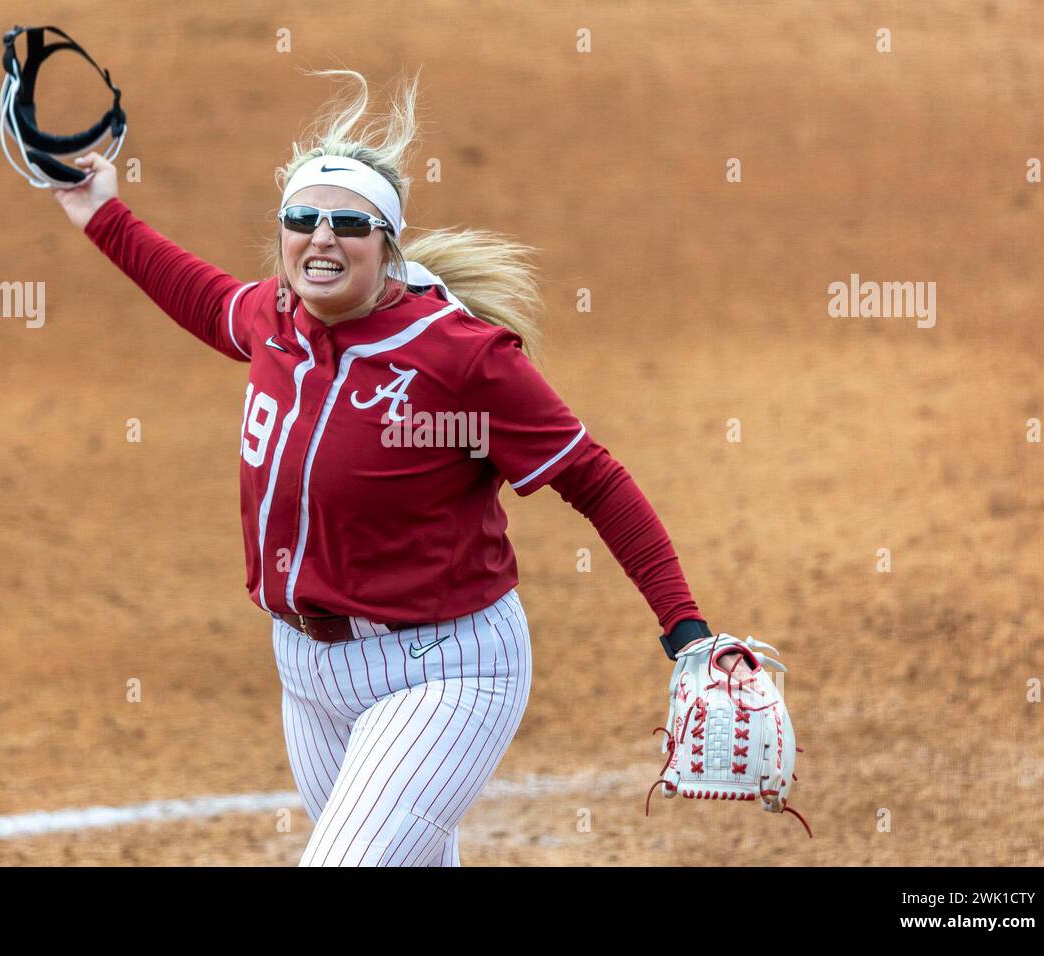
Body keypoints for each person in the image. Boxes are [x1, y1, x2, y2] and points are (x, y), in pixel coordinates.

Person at [53, 68, 737, 866]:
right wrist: (98, 210)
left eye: (349, 223)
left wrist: (686, 631)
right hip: (308, 673)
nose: (321, 237)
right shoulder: (274, 319)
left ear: (388, 246)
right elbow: (199, 297)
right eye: (302, 218)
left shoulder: (460, 360)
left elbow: (593, 478)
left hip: (443, 671)